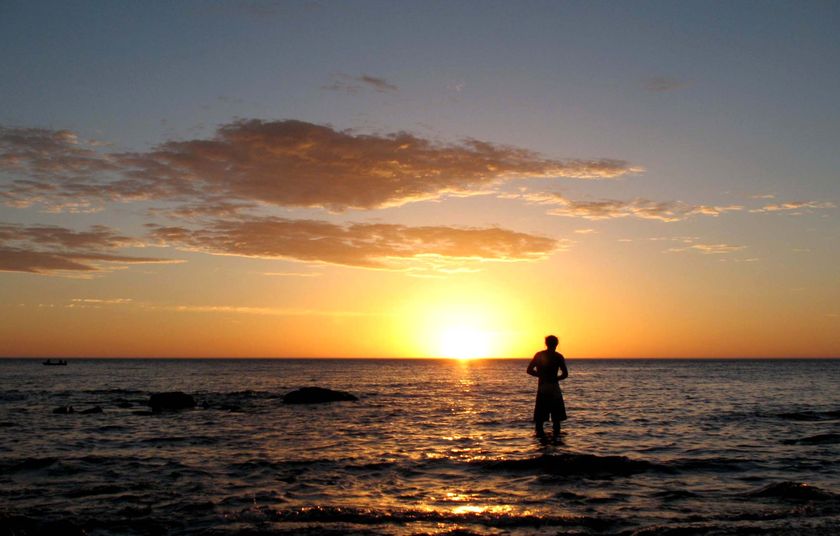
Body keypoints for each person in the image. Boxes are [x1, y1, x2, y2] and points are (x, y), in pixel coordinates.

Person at [526, 335, 568, 438]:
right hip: (554, 388)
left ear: (546, 343)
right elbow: (565, 374)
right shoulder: (558, 356)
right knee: (556, 420)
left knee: (540, 419)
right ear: (556, 344)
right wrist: (555, 378)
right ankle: (557, 444)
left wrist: (541, 375)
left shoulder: (539, 355)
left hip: (543, 388)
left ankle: (541, 444)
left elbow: (529, 370)